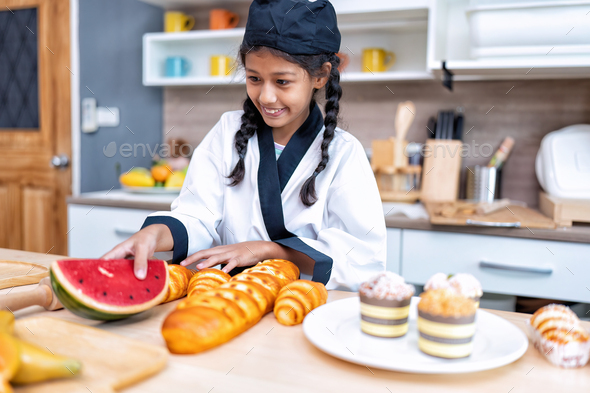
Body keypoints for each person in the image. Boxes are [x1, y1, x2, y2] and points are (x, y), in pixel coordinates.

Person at [103, 0, 386, 290]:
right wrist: (154, 233)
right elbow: (196, 216)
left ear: (320, 75)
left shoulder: (344, 154)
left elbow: (361, 259)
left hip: (299, 305)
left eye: (282, 82)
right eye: (254, 78)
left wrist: (268, 250)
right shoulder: (227, 132)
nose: (265, 96)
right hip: (223, 297)